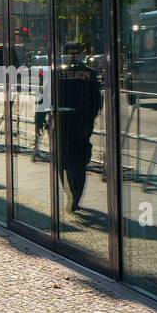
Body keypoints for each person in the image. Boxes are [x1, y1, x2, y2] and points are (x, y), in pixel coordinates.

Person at [56, 40, 104, 213]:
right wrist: (90, 117)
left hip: (63, 123)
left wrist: (41, 120)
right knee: (80, 160)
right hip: (83, 122)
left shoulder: (58, 73)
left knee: (63, 161)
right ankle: (76, 195)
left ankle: (71, 194)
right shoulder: (90, 73)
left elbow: (46, 97)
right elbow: (98, 100)